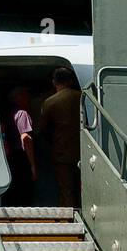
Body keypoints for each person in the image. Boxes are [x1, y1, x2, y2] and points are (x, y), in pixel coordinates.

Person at [36, 67, 83, 208]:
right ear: (70, 81)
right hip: (82, 148)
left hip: (61, 151)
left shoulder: (50, 102)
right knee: (81, 185)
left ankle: (69, 217)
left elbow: (42, 128)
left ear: (54, 82)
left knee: (65, 188)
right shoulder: (81, 97)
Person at [6, 86, 38, 205]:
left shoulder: (10, 113)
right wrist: (32, 165)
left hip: (12, 156)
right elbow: (26, 138)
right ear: (18, 97)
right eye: (25, 95)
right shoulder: (22, 114)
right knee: (25, 189)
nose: (28, 98)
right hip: (22, 156)